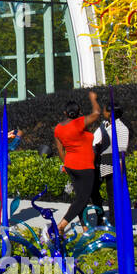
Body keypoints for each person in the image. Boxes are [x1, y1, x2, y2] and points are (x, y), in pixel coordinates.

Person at [54, 89, 103, 234]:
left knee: (80, 196)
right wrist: (93, 98)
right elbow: (97, 113)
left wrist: (66, 164)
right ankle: (61, 225)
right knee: (82, 198)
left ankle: (85, 227)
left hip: (70, 165)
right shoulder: (79, 123)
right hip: (85, 166)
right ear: (79, 111)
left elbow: (60, 150)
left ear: (64, 112)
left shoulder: (58, 128)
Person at [95, 101, 130, 213]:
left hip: (112, 165)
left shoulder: (122, 128)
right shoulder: (104, 124)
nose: (103, 111)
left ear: (110, 113)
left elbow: (121, 151)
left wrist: (119, 169)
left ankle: (115, 221)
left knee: (113, 195)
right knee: (95, 191)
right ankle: (102, 217)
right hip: (101, 163)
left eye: (105, 110)